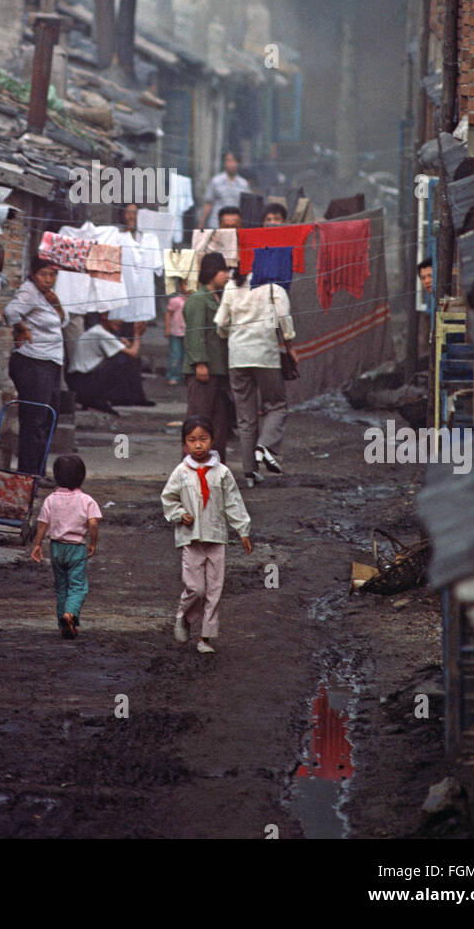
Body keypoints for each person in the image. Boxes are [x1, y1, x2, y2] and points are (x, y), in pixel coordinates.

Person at [160, 415, 253, 654]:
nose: (198, 445)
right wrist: (180, 514)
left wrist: (243, 530)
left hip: (216, 537)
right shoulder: (181, 472)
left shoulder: (221, 472)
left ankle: (205, 637)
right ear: (185, 444)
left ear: (212, 441)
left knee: (214, 589)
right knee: (196, 589)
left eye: (203, 439)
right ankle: (184, 616)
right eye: (192, 440)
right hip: (191, 539)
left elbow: (233, 502)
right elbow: (168, 498)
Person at [214, 267, 297, 485]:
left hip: (238, 358)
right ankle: (265, 445)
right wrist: (290, 347)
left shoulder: (232, 285)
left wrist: (231, 336)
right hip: (265, 357)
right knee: (277, 405)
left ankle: (250, 472)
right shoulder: (273, 288)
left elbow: (221, 323)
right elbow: (284, 323)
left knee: (245, 416)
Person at [4, 255, 69, 474]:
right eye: (43, 274)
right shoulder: (29, 291)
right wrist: (22, 328)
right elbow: (11, 311)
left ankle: (37, 472)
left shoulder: (47, 295)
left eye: (52, 275)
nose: (48, 279)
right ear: (33, 274)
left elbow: (62, 321)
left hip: (49, 364)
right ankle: (27, 474)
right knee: (34, 420)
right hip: (33, 363)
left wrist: (56, 304)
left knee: (48, 419)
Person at [30, 454, 102, 638]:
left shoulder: (50, 500)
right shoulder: (86, 500)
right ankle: (70, 614)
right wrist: (93, 542)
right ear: (81, 477)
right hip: (76, 548)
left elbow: (42, 525)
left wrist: (37, 545)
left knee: (61, 586)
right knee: (78, 586)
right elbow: (93, 523)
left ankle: (64, 625)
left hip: (56, 548)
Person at [183, 252, 232, 461]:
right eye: (224, 271)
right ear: (213, 272)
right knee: (198, 422)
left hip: (219, 370)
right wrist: (200, 363)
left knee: (219, 422)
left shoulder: (219, 298)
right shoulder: (198, 299)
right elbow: (195, 333)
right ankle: (192, 467)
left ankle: (215, 466)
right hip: (203, 370)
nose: (228, 276)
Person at [66, 312, 153, 410]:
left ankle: (112, 398)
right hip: (83, 381)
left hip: (79, 380)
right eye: (117, 318)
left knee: (123, 358)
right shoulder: (100, 333)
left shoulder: (98, 331)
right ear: (105, 316)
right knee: (124, 360)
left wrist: (124, 343)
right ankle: (115, 398)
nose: (120, 322)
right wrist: (137, 335)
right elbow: (133, 354)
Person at [200, 152, 251, 230]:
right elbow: (208, 203)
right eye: (228, 160)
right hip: (216, 224)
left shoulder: (243, 184)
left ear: (238, 163)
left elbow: (247, 206)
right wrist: (201, 224)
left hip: (234, 225)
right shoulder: (216, 181)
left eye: (234, 161)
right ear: (224, 163)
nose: (231, 164)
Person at [165, 282, 187, 385]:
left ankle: (185, 375)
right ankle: (173, 375)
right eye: (185, 284)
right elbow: (168, 314)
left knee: (187, 355)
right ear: (179, 286)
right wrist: (167, 328)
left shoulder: (194, 300)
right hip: (176, 332)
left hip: (188, 333)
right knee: (175, 354)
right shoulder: (175, 301)